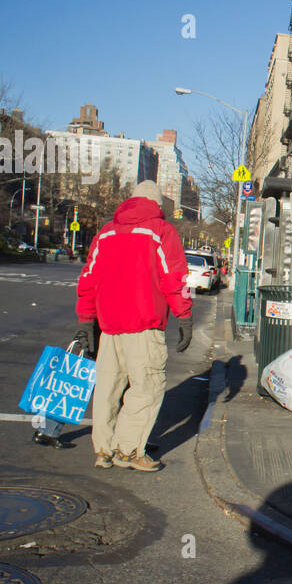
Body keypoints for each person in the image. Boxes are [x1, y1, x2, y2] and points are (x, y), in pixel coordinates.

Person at [75, 180, 192, 472]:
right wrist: (185, 316)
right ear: (157, 205)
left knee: (108, 387)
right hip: (143, 324)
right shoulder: (161, 231)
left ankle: (104, 448)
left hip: (109, 327)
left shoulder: (105, 233)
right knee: (147, 386)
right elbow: (174, 279)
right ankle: (127, 450)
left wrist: (86, 320)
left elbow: (87, 278)